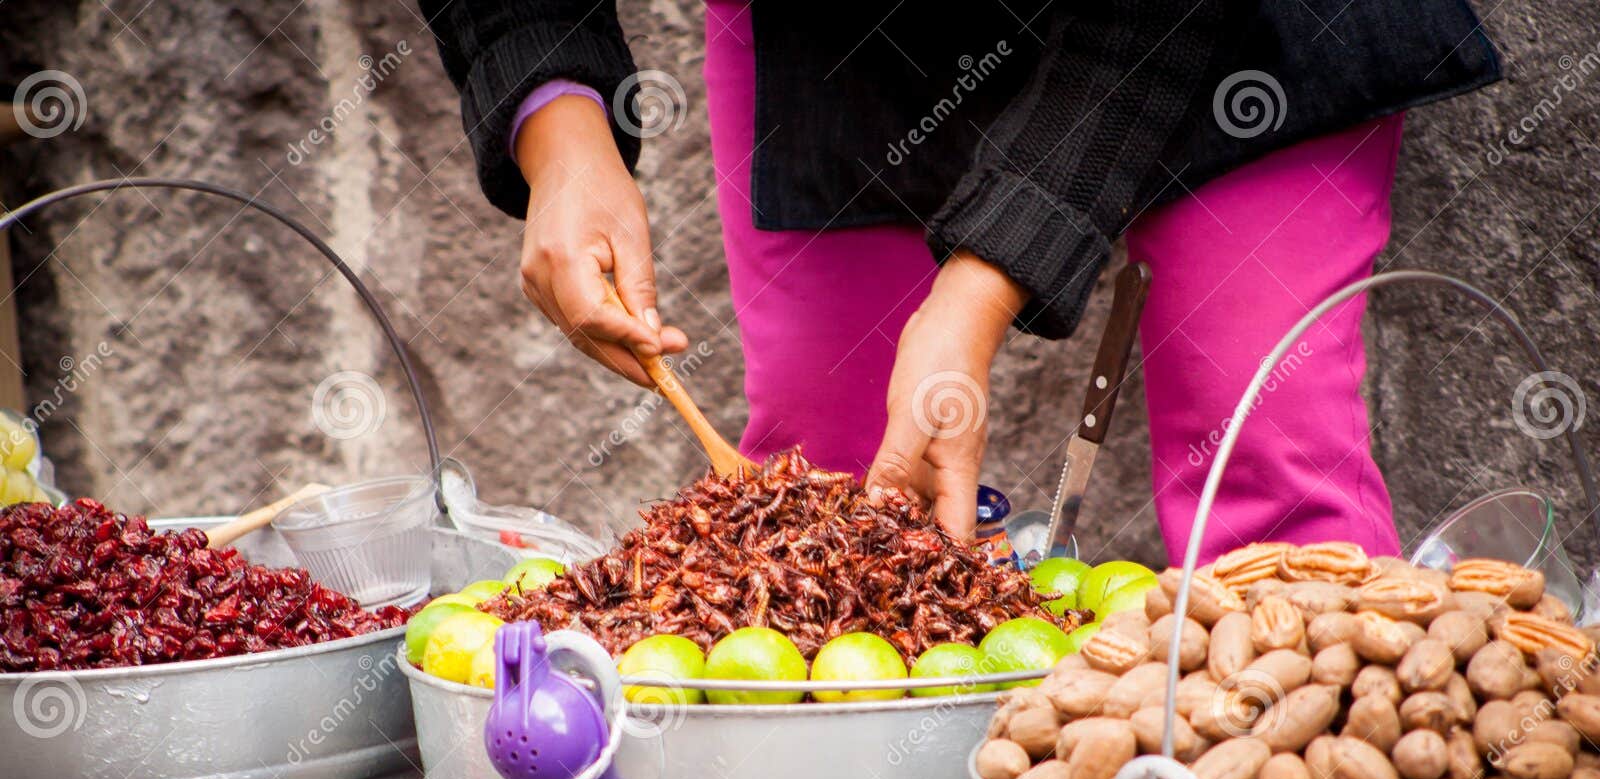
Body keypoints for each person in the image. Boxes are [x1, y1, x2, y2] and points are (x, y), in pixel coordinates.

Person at [420, 2, 1498, 556]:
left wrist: (980, 289)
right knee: (822, 499)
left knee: (1264, 474)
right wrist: (557, 127)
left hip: (1238, 32)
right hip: (844, 37)